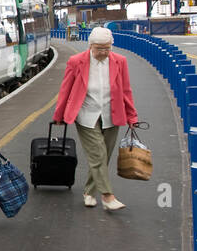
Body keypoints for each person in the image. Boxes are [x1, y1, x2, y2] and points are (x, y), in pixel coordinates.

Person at [53, 26, 139, 211]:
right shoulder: (76, 61)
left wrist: (132, 116)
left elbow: (125, 91)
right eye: (100, 49)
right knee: (98, 153)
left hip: (111, 114)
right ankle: (108, 196)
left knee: (103, 157)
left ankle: (89, 192)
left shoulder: (120, 61)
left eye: (107, 48)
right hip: (86, 115)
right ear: (90, 46)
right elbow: (65, 90)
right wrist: (59, 114)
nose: (104, 52)